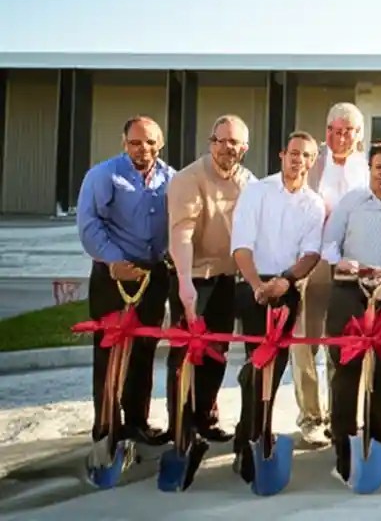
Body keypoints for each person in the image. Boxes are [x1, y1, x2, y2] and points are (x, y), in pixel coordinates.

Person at [228, 131, 326, 482]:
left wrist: (285, 281)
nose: (299, 159)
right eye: (294, 152)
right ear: (282, 155)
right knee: (258, 369)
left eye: (307, 155)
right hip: (252, 285)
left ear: (313, 162)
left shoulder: (314, 203)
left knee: (276, 367)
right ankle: (250, 440)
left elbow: (311, 253)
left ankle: (257, 433)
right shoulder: (257, 192)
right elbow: (241, 245)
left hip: (286, 286)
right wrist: (257, 285)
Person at [76, 116, 176, 448]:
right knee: (109, 350)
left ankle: (136, 422)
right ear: (124, 143)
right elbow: (90, 224)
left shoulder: (171, 178)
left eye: (149, 142)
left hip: (152, 275)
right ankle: (106, 425)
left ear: (159, 143)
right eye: (135, 142)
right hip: (112, 275)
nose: (142, 149)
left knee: (144, 350)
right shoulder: (103, 175)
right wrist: (113, 261)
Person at [166, 114, 257, 444]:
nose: (226, 148)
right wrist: (184, 283)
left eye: (234, 142)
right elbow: (182, 234)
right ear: (211, 142)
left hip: (227, 279)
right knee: (185, 354)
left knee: (217, 351)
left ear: (244, 147)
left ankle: (204, 416)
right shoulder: (189, 179)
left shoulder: (248, 181)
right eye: (220, 140)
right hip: (193, 276)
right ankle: (180, 425)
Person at [322, 143, 381, 483]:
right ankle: (344, 439)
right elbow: (329, 242)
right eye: (379, 167)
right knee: (346, 369)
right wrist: (340, 261)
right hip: (349, 291)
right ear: (370, 168)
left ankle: (378, 430)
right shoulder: (351, 201)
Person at [295, 102, 370, 446]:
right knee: (306, 341)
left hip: (354, 263)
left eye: (348, 131)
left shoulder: (369, 167)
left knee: (343, 342)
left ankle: (342, 416)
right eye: (334, 130)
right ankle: (311, 415)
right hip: (313, 259)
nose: (340, 138)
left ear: (359, 134)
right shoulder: (310, 161)